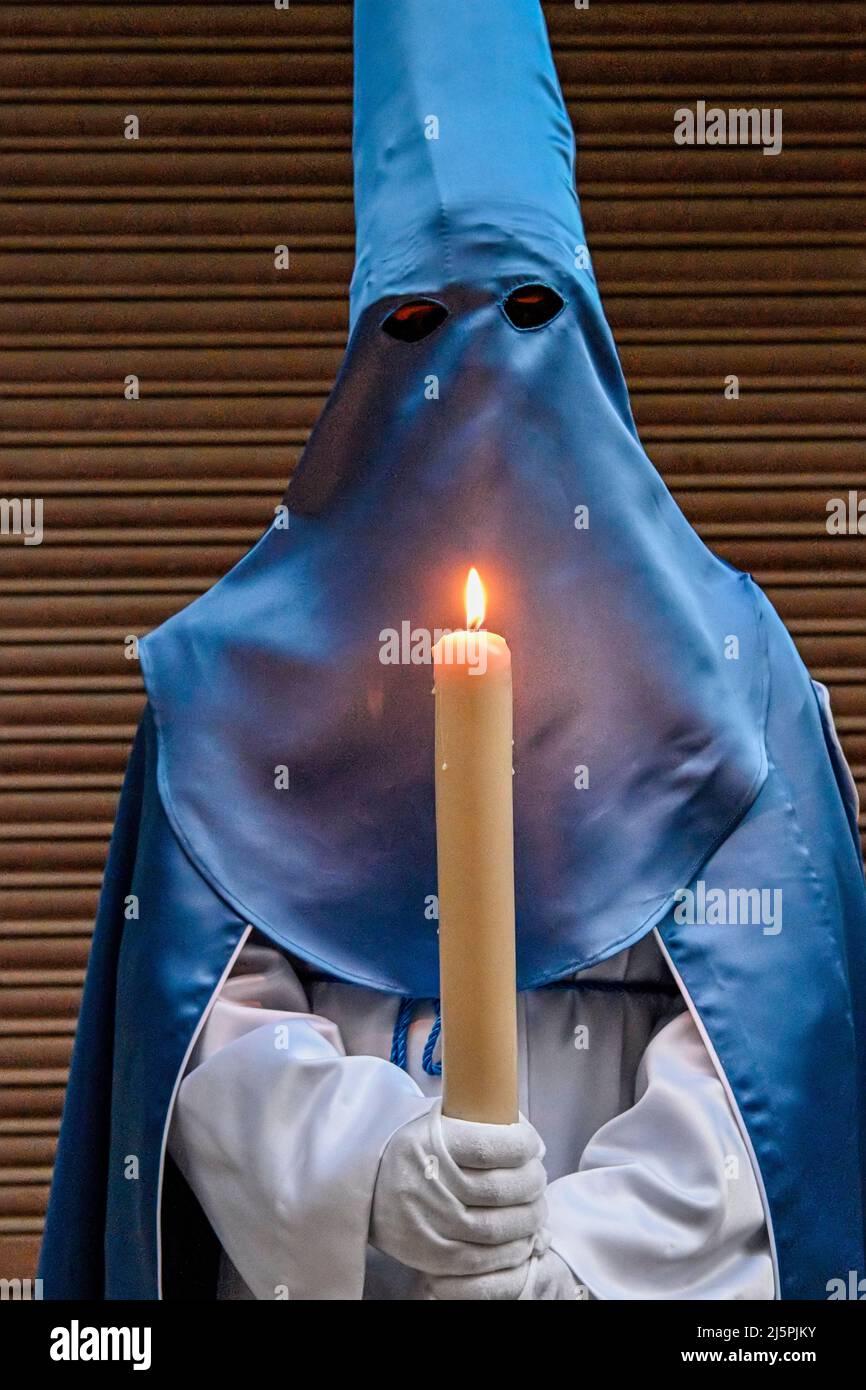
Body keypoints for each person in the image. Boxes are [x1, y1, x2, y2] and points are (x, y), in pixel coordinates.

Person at [40, 0, 865, 1301]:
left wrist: (581, 1259)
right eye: (423, 326)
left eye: (528, 310)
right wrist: (369, 1167)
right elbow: (198, 1014)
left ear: (587, 337)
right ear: (365, 354)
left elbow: (776, 1045)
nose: (476, 378)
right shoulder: (230, 690)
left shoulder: (732, 671)